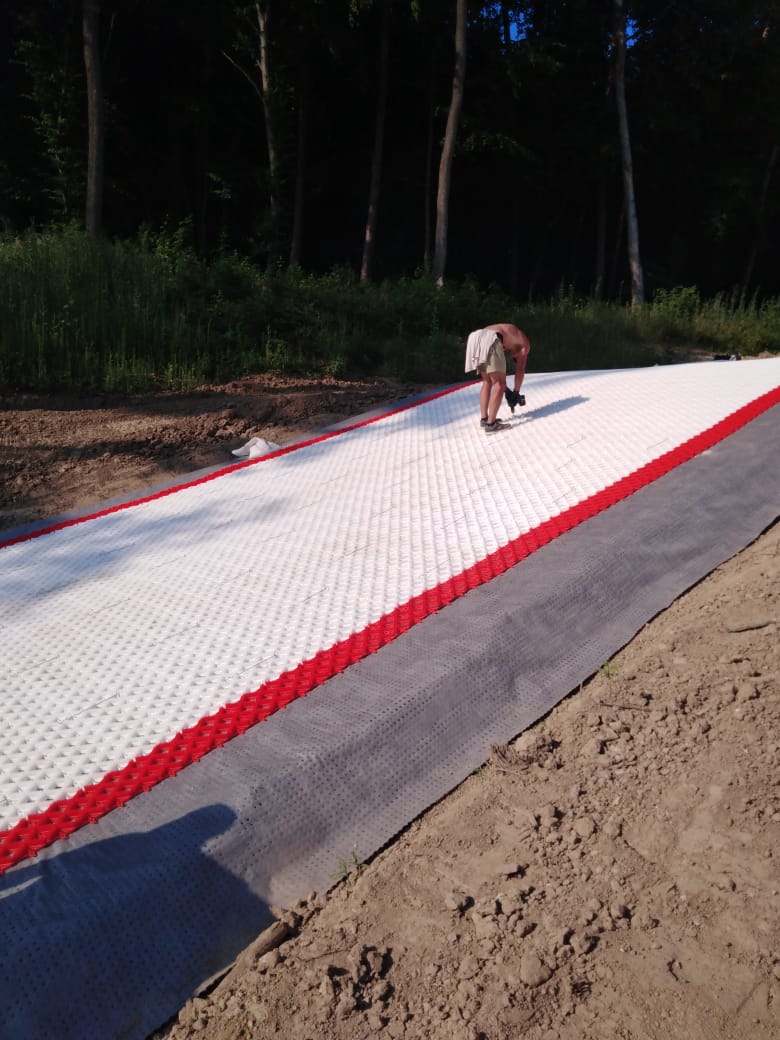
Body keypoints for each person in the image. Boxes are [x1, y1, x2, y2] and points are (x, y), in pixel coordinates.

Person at [464, 322, 531, 433]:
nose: (515, 360)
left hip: (476, 337)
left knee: (487, 381)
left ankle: (484, 419)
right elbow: (520, 370)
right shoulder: (525, 345)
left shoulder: (511, 338)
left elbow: (493, 377)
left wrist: (508, 391)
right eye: (516, 360)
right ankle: (491, 425)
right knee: (499, 384)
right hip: (491, 338)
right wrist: (516, 392)